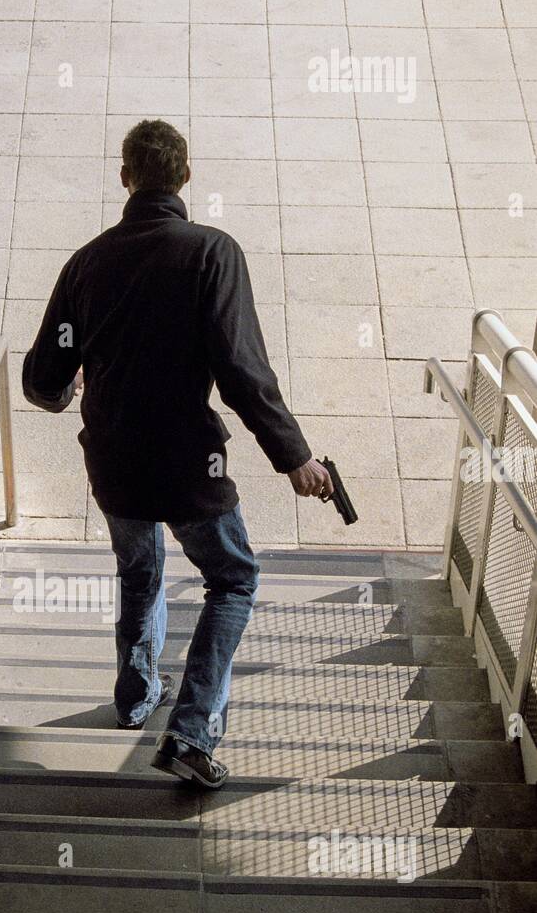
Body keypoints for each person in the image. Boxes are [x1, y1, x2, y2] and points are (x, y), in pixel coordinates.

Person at [22, 119, 332, 789]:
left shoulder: (85, 262)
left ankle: (135, 697)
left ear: (125, 177)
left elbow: (43, 376)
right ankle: (191, 732)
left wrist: (66, 384)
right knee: (232, 579)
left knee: (138, 568)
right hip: (190, 463)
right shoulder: (210, 252)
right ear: (185, 178)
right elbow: (241, 369)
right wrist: (294, 458)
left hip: (111, 458)